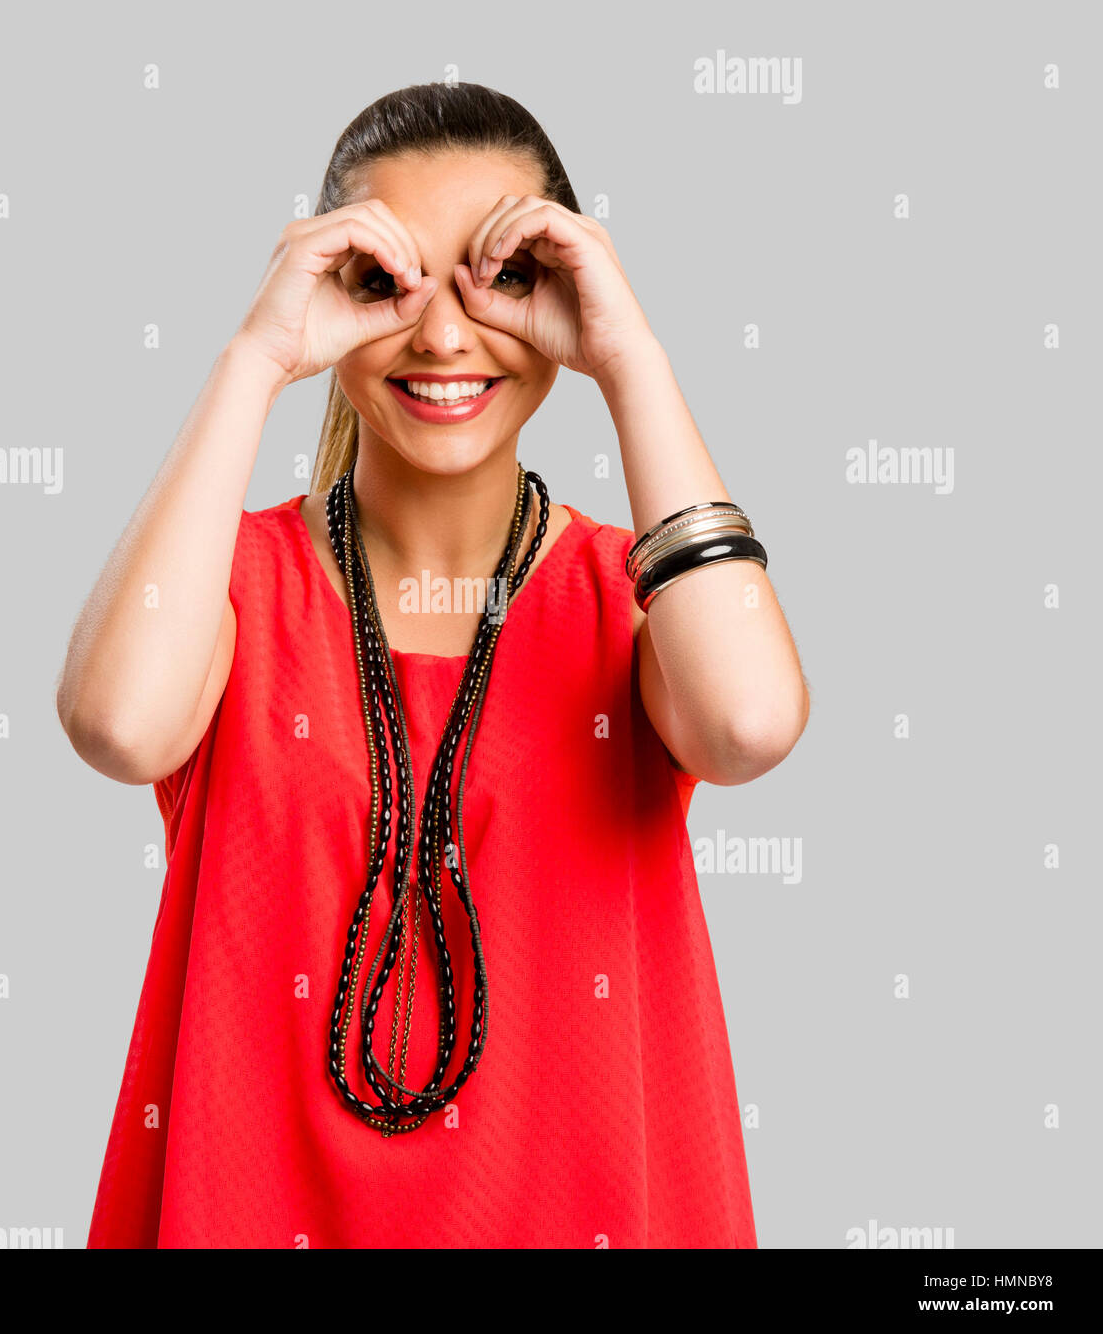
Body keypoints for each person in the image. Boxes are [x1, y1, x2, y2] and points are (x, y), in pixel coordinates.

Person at [58, 81, 809, 1248]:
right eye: (384, 281)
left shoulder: (632, 595)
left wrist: (632, 360)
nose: (446, 335)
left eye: (502, 275)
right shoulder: (235, 587)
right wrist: (255, 358)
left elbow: (749, 722)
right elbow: (118, 725)